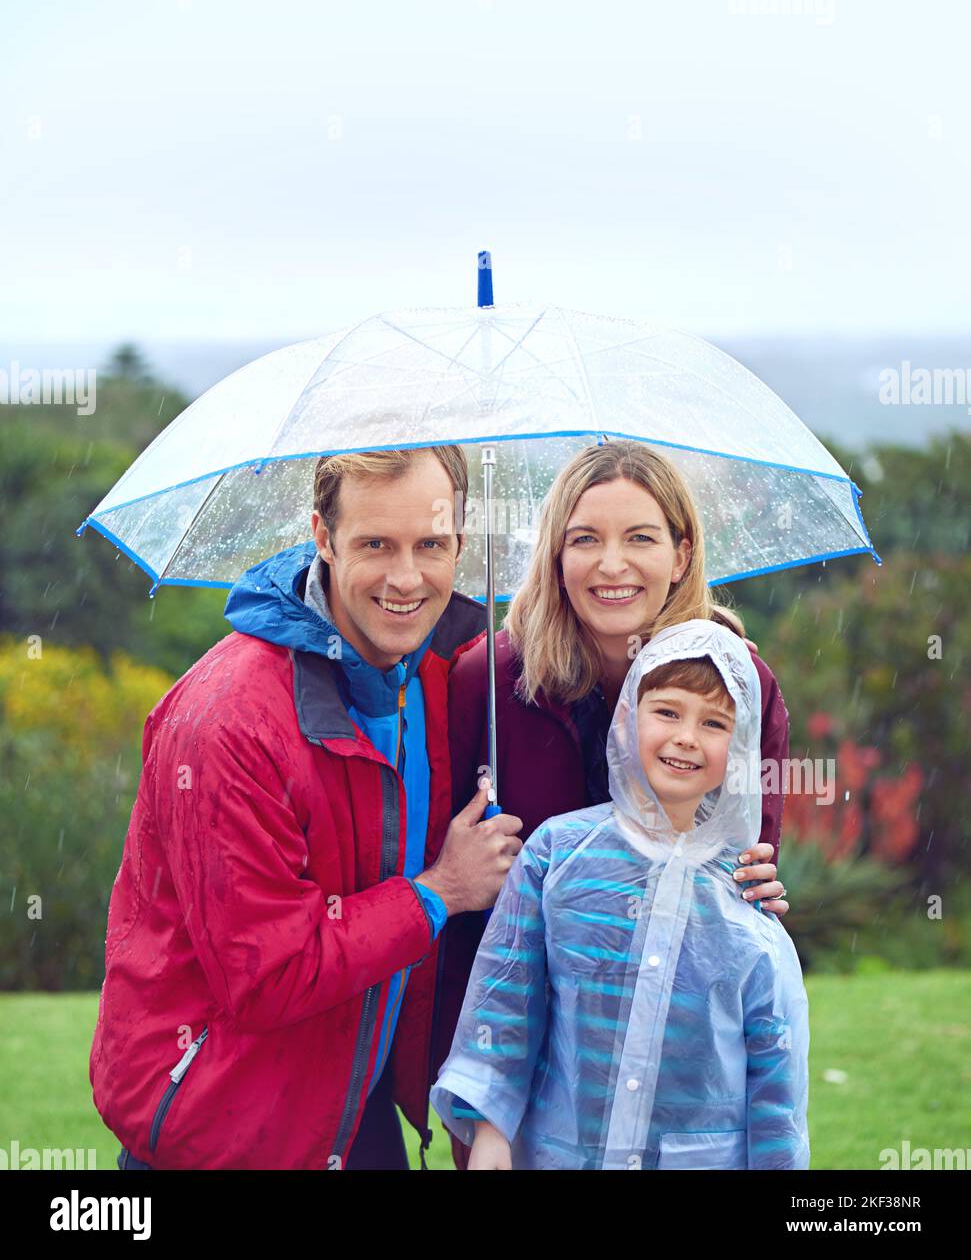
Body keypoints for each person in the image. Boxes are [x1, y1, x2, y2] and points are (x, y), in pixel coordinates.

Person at [91, 445, 523, 1170]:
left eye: (432, 545)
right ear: (321, 537)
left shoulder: (446, 673)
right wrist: (440, 891)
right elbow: (268, 973)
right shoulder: (226, 723)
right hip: (224, 1131)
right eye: (375, 545)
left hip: (355, 1113)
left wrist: (726, 849)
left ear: (461, 541)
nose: (406, 578)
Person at [436, 441, 792, 1157]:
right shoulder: (489, 678)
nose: (610, 564)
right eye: (584, 540)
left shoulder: (735, 684)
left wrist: (754, 880)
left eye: (640, 538)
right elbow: (444, 856)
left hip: (672, 1065)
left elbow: (735, 852)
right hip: (521, 1058)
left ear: (681, 554)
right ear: (554, 554)